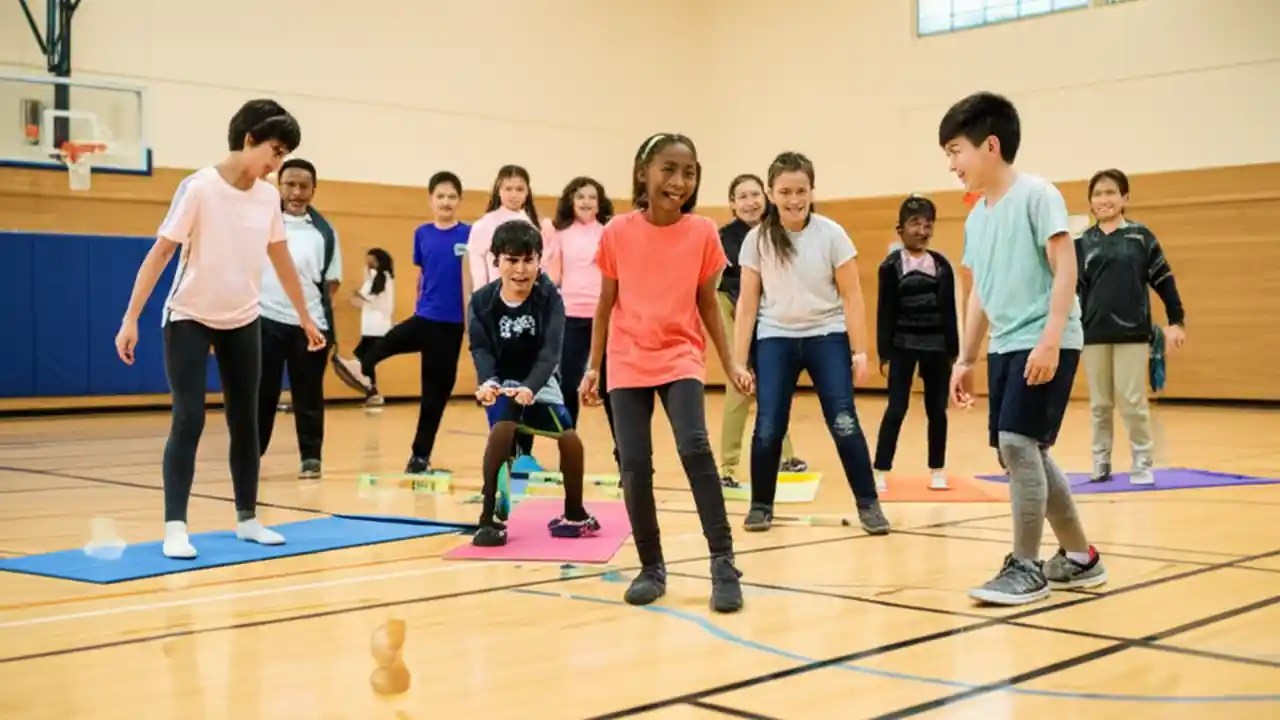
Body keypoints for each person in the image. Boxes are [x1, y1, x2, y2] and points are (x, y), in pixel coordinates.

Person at [114, 99, 323, 559]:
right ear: (249, 140)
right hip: (189, 316)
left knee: (245, 421)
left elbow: (281, 258)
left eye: (285, 154)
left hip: (242, 319)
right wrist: (131, 318)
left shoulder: (268, 197)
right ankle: (175, 527)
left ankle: (247, 519)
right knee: (188, 418)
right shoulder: (199, 188)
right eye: (275, 150)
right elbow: (161, 253)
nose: (278, 164)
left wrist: (305, 316)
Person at [940, 91, 1108, 605]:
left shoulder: (1038, 195)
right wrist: (966, 358)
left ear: (990, 146)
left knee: (1016, 444)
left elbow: (1066, 268)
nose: (951, 165)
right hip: (1008, 344)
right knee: (1024, 449)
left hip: (1046, 339)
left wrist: (1051, 339)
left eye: (955, 151)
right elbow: (980, 294)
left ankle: (1026, 566)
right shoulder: (976, 218)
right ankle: (1080, 559)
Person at [580, 132, 747, 613]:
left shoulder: (702, 233)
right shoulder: (616, 233)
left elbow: (708, 306)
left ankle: (723, 563)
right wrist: (593, 367)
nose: (679, 181)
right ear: (643, 173)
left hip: (680, 354)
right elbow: (605, 305)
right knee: (634, 465)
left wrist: (731, 362)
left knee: (694, 445)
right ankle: (651, 566)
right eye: (668, 170)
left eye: (689, 172)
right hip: (627, 358)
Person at [732, 152, 890, 535]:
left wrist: (860, 350)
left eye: (801, 190)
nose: (794, 199)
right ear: (772, 193)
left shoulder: (832, 234)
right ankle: (761, 505)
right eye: (785, 191)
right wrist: (738, 360)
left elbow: (852, 296)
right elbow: (748, 302)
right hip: (776, 339)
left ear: (811, 190)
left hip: (827, 336)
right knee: (769, 425)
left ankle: (869, 504)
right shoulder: (757, 240)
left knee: (844, 421)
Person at [469, 220, 598, 545]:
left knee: (570, 439)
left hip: (540, 383)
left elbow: (551, 351)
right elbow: (481, 348)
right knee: (502, 430)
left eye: (529, 260)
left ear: (540, 260)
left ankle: (575, 512)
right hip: (501, 382)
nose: (521, 270)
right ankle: (487, 519)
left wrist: (531, 386)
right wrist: (487, 382)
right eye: (512, 260)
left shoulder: (549, 297)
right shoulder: (482, 302)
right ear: (496, 260)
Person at [332, 172, 468, 473]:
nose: (446, 202)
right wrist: (420, 301)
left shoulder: (469, 235)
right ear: (431, 200)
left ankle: (419, 456)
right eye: (440, 196)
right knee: (391, 338)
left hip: (453, 323)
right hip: (426, 315)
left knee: (435, 394)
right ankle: (362, 366)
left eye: (451, 196)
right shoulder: (422, 233)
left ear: (459, 200)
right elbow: (424, 273)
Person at [1076, 168, 1186, 485]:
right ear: (1091, 202)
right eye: (1097, 194)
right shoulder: (1081, 242)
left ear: (1124, 198)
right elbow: (1071, 291)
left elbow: (1164, 281)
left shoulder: (1141, 237)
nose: (1104, 199)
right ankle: (1100, 460)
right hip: (1093, 334)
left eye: (1111, 192)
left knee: (1132, 401)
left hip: (1132, 334)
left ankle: (1142, 460)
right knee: (1099, 404)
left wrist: (1176, 320)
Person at [716, 174, 807, 487]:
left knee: (772, 381)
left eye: (755, 194)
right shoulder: (723, 236)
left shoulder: (777, 231)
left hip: (768, 311)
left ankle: (785, 455)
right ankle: (727, 468)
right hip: (731, 307)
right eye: (742, 196)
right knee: (740, 384)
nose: (750, 202)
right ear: (732, 204)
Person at [257, 157, 343, 479]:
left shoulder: (325, 233)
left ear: (313, 189)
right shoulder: (262, 222)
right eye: (289, 184)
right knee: (262, 395)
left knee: (308, 395)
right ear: (279, 186)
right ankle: (252, 454)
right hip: (264, 321)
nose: (296, 192)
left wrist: (307, 315)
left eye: (303, 186)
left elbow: (330, 283)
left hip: (309, 327)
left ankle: (311, 458)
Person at [872, 195, 959, 492]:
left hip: (936, 346)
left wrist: (954, 351)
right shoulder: (890, 267)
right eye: (914, 224)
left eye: (927, 225)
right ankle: (881, 469)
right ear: (900, 229)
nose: (921, 231)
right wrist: (885, 352)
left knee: (937, 410)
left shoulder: (941, 265)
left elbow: (949, 310)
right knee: (896, 408)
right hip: (902, 345)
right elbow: (885, 311)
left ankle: (937, 469)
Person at [464, 165, 546, 464]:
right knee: (495, 380)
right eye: (509, 188)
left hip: (527, 312)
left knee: (525, 380)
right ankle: (503, 448)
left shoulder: (533, 225)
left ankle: (525, 450)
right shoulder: (485, 224)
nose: (514, 194)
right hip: (494, 311)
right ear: (499, 190)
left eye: (520, 189)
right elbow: (477, 269)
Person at [542, 176, 615, 430]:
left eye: (592, 197)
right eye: (580, 196)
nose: (586, 202)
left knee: (610, 386)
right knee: (567, 383)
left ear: (599, 203)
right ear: (571, 201)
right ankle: (568, 443)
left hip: (605, 317)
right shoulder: (559, 232)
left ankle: (624, 453)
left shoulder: (609, 232)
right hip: (571, 316)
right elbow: (553, 276)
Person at [351, 248, 395, 409]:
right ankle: (371, 391)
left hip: (377, 326)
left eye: (370, 260)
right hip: (371, 326)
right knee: (363, 356)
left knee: (366, 358)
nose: (367, 263)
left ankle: (373, 392)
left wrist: (359, 294)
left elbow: (368, 297)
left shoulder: (381, 277)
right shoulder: (377, 277)